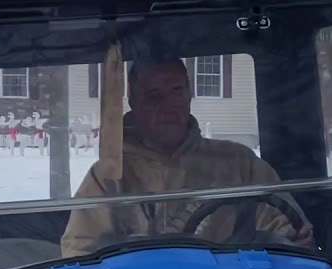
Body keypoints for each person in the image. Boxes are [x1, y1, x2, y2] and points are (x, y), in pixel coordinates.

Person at [60, 57, 314, 257]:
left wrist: (294, 242)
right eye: (154, 96)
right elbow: (80, 253)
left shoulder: (239, 163)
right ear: (134, 102)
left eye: (176, 91)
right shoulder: (109, 176)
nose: (168, 106)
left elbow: (290, 235)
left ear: (189, 96)